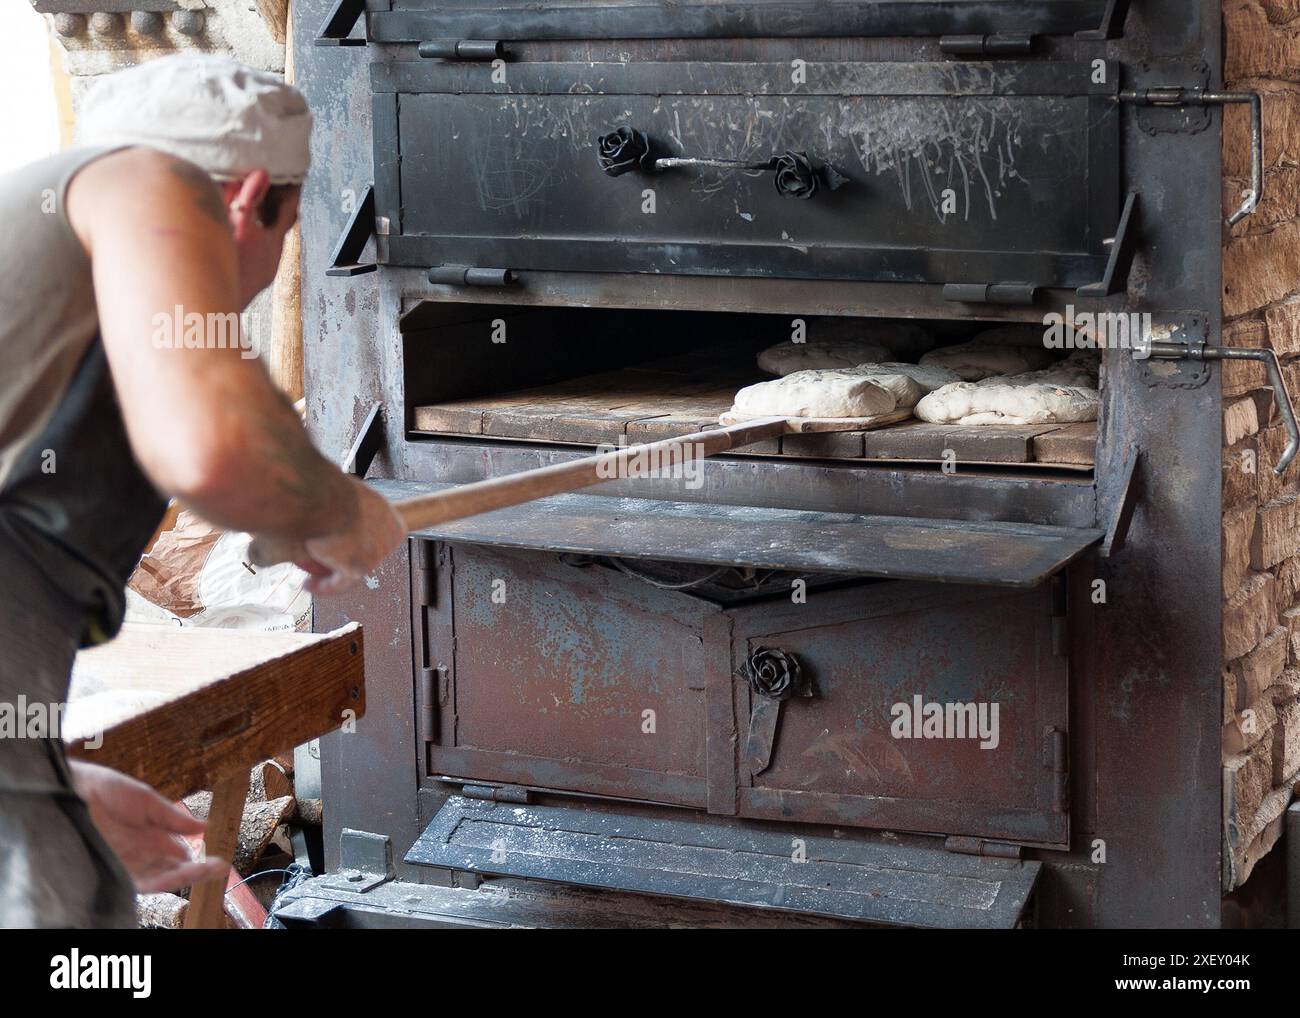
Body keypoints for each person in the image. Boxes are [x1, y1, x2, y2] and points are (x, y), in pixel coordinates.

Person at [0, 55, 405, 927]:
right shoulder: (151, 182)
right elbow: (211, 449)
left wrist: (52, 779)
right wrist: (336, 509)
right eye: (286, 230)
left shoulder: (56, 271)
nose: (267, 274)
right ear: (244, 195)